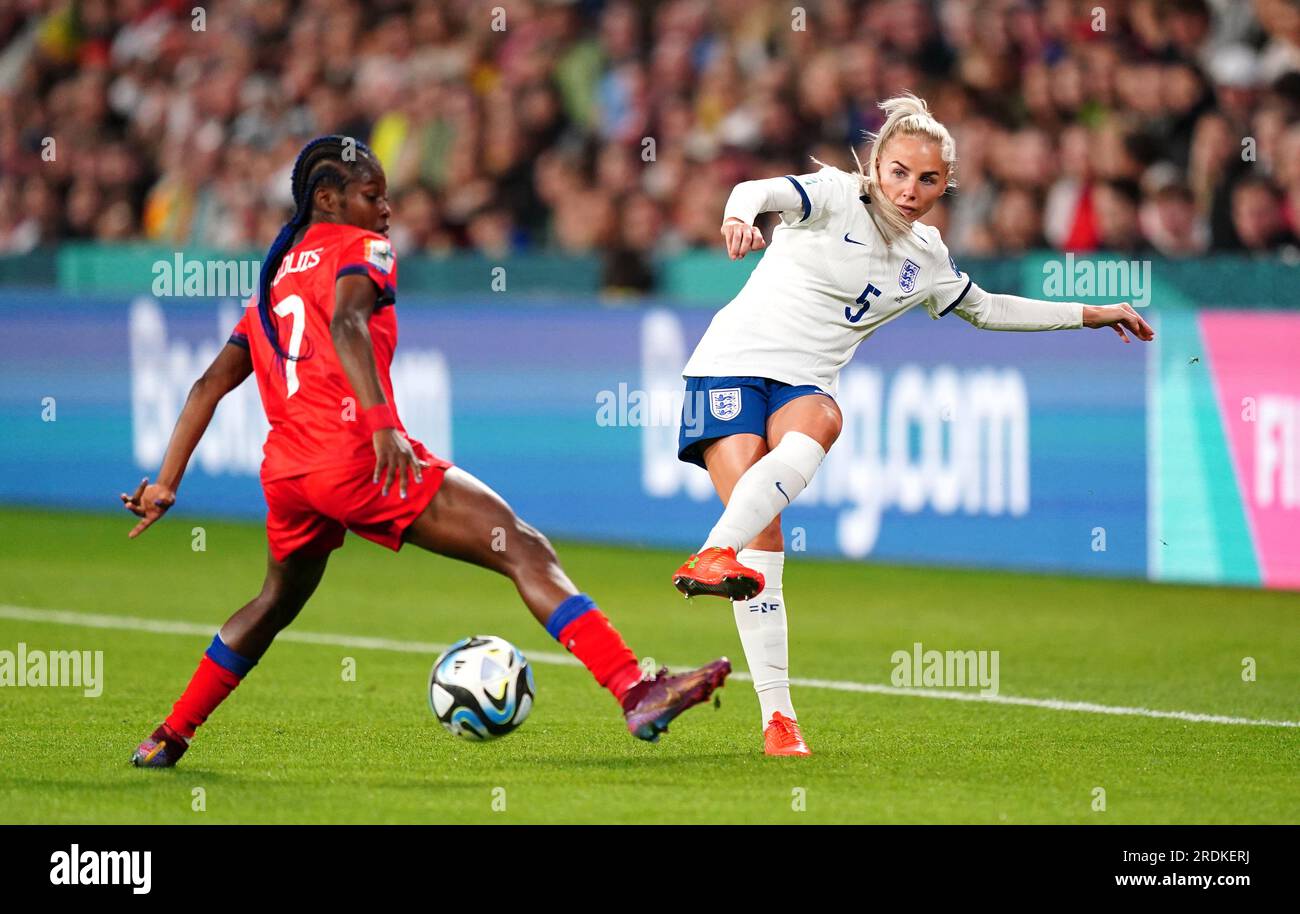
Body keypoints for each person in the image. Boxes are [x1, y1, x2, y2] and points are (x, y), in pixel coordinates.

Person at [124, 135, 729, 767]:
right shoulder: (364, 249)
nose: (386, 209)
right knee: (521, 546)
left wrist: (166, 482)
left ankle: (170, 733)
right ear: (326, 199)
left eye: (386, 195)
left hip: (289, 474)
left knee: (274, 600)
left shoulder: (275, 278)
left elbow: (208, 383)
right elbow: (348, 323)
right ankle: (634, 688)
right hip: (356, 455)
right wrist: (382, 425)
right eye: (371, 195)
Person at [669, 95, 1154, 757]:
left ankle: (724, 574)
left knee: (826, 418)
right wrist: (736, 218)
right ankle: (775, 709)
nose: (911, 189)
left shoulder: (925, 256)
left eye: (928, 180)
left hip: (803, 384)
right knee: (767, 531)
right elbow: (755, 188)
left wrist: (1090, 314)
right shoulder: (834, 196)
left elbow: (989, 310)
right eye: (899, 171)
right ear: (875, 166)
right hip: (727, 368)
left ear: (945, 184)